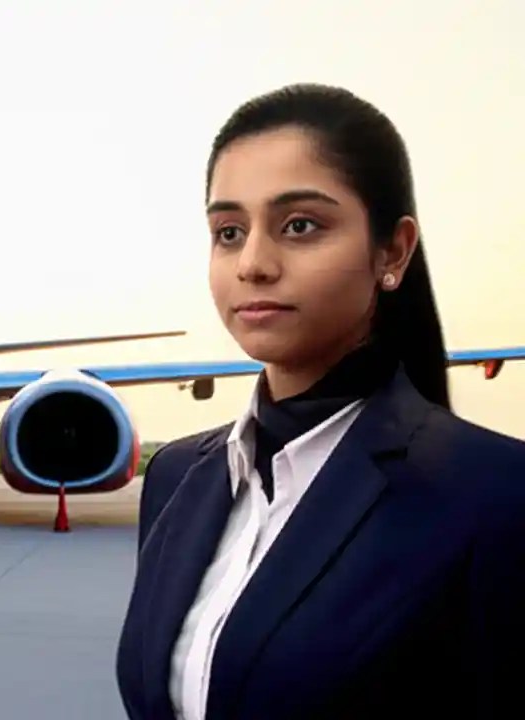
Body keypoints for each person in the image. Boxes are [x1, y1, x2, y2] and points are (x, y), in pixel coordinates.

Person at [114, 82, 525, 719]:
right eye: (228, 231)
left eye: (299, 225)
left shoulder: (497, 496)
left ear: (392, 250)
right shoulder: (177, 478)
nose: (252, 263)